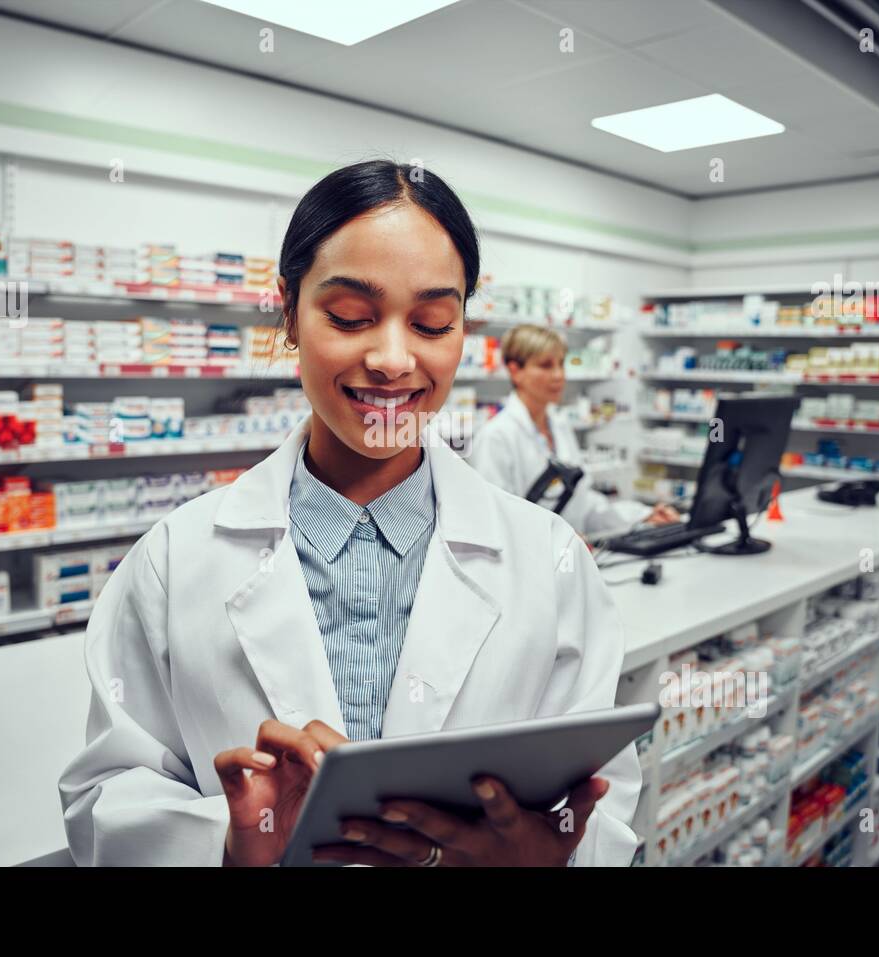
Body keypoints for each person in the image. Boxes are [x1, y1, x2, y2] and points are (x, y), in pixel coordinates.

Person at [58, 159, 641, 867]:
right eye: (350, 317)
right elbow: (106, 798)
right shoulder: (175, 559)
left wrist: (550, 858)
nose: (393, 359)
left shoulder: (550, 560)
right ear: (288, 313)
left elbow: (605, 805)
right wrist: (227, 847)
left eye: (431, 321)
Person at [467, 324, 679, 537]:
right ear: (515, 371)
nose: (559, 375)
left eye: (561, 364)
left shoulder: (559, 427)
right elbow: (496, 522)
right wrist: (557, 541)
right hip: (527, 565)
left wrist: (641, 516)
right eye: (546, 365)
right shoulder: (496, 437)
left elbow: (583, 505)